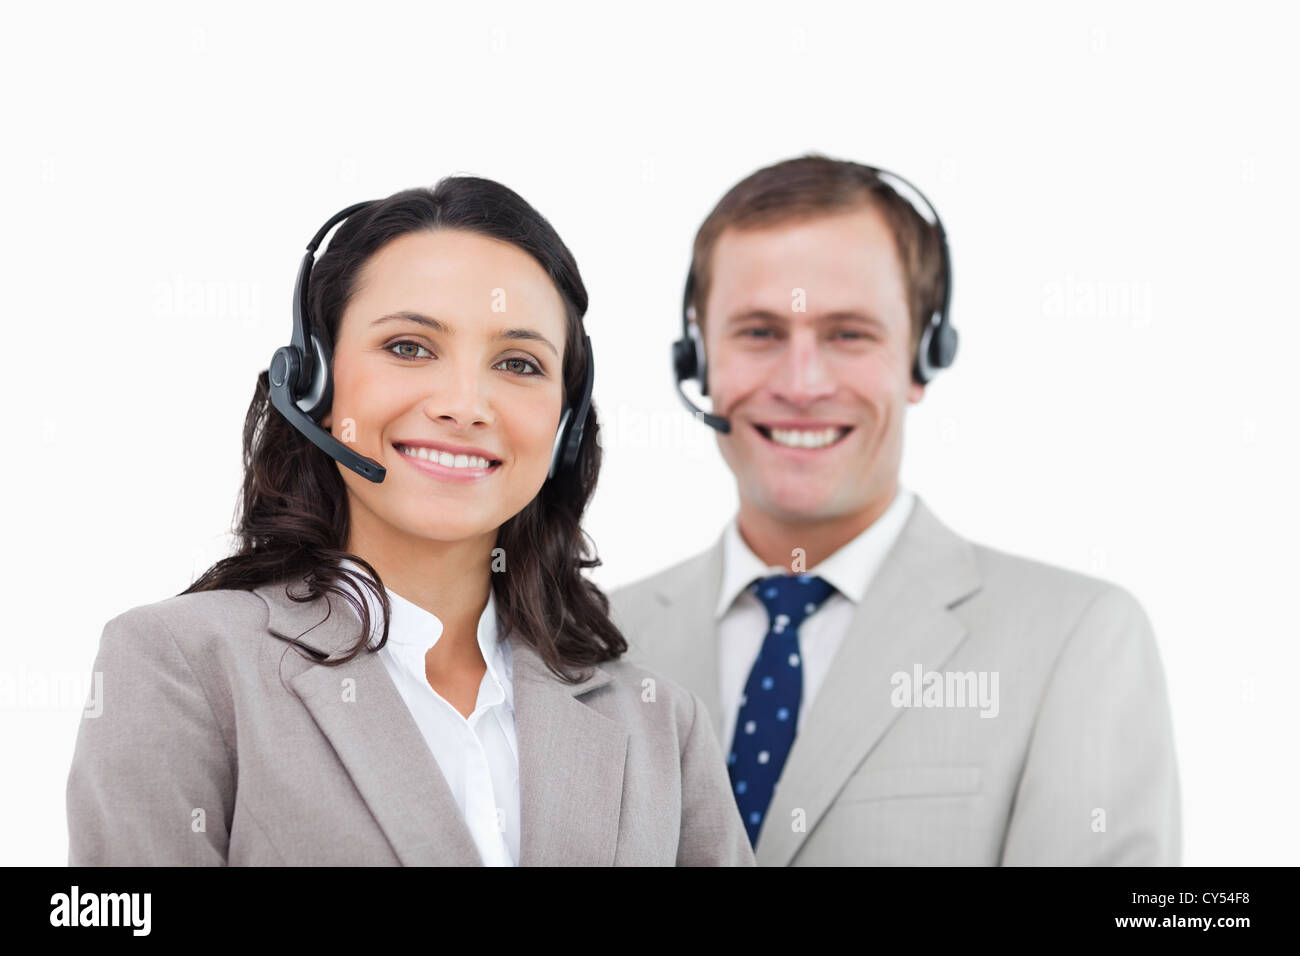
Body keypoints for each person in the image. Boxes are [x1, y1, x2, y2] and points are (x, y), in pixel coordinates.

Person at [66, 175, 754, 867]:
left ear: (564, 430)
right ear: (316, 385)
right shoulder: (181, 666)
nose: (465, 404)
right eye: (410, 347)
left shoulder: (660, 724)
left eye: (518, 363)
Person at [609, 154, 1180, 865]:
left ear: (922, 357)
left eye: (848, 334)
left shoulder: (1078, 640)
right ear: (696, 361)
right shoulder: (589, 642)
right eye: (759, 332)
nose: (801, 383)